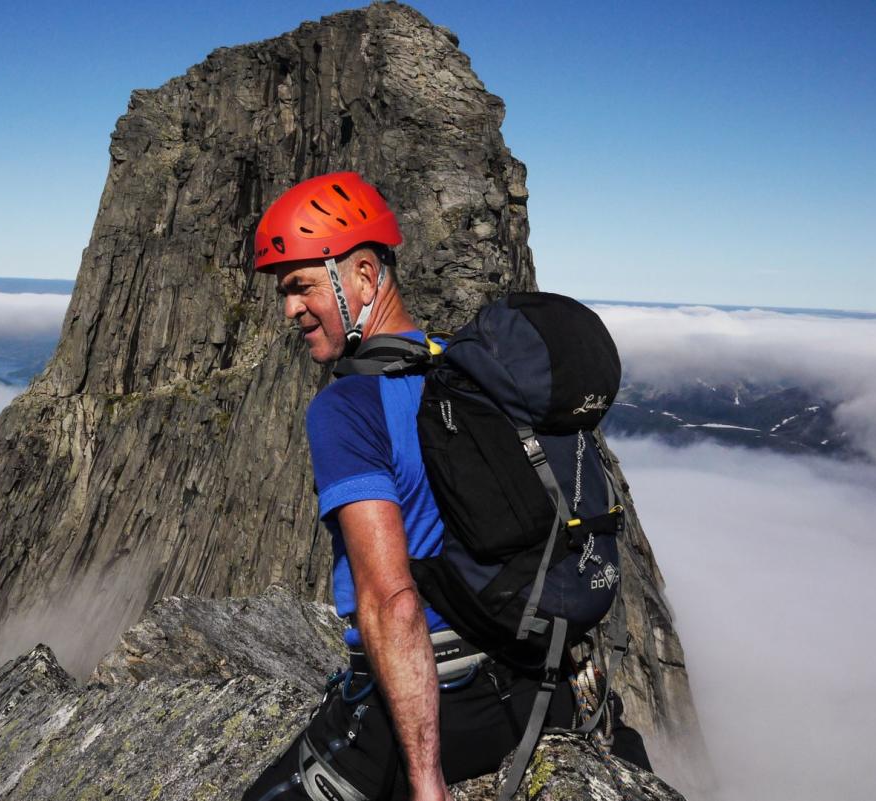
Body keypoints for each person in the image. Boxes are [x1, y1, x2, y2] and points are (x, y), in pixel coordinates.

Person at [242, 172, 649, 801]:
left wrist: (425, 780)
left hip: (443, 704)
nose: (289, 309)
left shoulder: (348, 407)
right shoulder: (462, 371)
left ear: (366, 277)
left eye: (300, 286)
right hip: (536, 684)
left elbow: (389, 601)